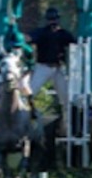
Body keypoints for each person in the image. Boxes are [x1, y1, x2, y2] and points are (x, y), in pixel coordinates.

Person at [27, 7, 77, 136]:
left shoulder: (63, 34)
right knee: (29, 93)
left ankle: (67, 128)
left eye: (55, 19)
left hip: (58, 68)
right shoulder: (41, 32)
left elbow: (75, 43)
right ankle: (25, 121)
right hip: (43, 67)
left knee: (66, 99)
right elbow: (28, 38)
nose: (53, 22)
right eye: (50, 19)